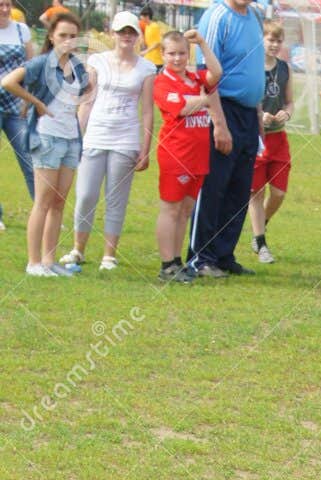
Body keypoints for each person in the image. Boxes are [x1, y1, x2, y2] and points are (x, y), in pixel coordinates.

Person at [62, 11, 154, 272]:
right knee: (86, 195)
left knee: (116, 198)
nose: (127, 36)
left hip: (125, 139)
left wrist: (145, 149)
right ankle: (78, 249)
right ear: (113, 33)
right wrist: (76, 137)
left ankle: (109, 255)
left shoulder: (146, 68)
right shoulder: (97, 60)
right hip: (95, 135)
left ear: (137, 36)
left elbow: (147, 111)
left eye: (132, 32)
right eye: (122, 31)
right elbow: (87, 101)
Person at [3, 8, 89, 275]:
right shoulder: (41, 63)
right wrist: (36, 102)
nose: (68, 40)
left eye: (73, 36)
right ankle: (34, 262)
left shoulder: (77, 66)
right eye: (63, 35)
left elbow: (84, 91)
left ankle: (49, 261)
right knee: (43, 201)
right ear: (51, 36)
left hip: (71, 138)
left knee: (59, 202)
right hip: (47, 137)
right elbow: (8, 82)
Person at [187, 0, 265, 277]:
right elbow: (206, 76)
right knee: (214, 185)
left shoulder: (255, 15)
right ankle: (201, 256)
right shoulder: (218, 16)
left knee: (239, 188)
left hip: (248, 114)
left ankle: (223, 254)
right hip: (224, 109)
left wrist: (257, 116)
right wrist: (219, 123)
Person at [153, 27, 221, 281]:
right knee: (170, 209)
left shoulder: (194, 79)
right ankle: (166, 264)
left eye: (182, 53)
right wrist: (203, 101)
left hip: (198, 155)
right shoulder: (162, 82)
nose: (178, 58)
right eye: (171, 54)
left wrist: (202, 42)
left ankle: (178, 261)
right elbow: (181, 107)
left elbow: (217, 73)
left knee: (185, 210)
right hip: (175, 154)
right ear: (162, 54)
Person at [248, 20, 292, 264]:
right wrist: (259, 115)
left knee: (279, 193)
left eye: (278, 40)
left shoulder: (284, 68)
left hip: (278, 137)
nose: (274, 44)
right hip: (257, 138)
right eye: (270, 39)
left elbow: (290, 101)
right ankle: (261, 242)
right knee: (255, 191)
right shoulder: (253, 67)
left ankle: (261, 224)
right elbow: (247, 97)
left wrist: (287, 112)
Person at [0, 0, 35, 234]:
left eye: (7, 4)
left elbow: (31, 66)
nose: (4, 9)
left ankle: (44, 211)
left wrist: (27, 99)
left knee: (31, 161)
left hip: (17, 107)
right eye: (0, 5)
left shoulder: (22, 30)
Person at [139, 5, 163, 70]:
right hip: (148, 58)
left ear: (147, 16)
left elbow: (157, 43)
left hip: (156, 60)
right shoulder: (147, 26)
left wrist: (145, 51)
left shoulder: (155, 27)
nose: (141, 18)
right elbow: (146, 42)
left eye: (142, 16)